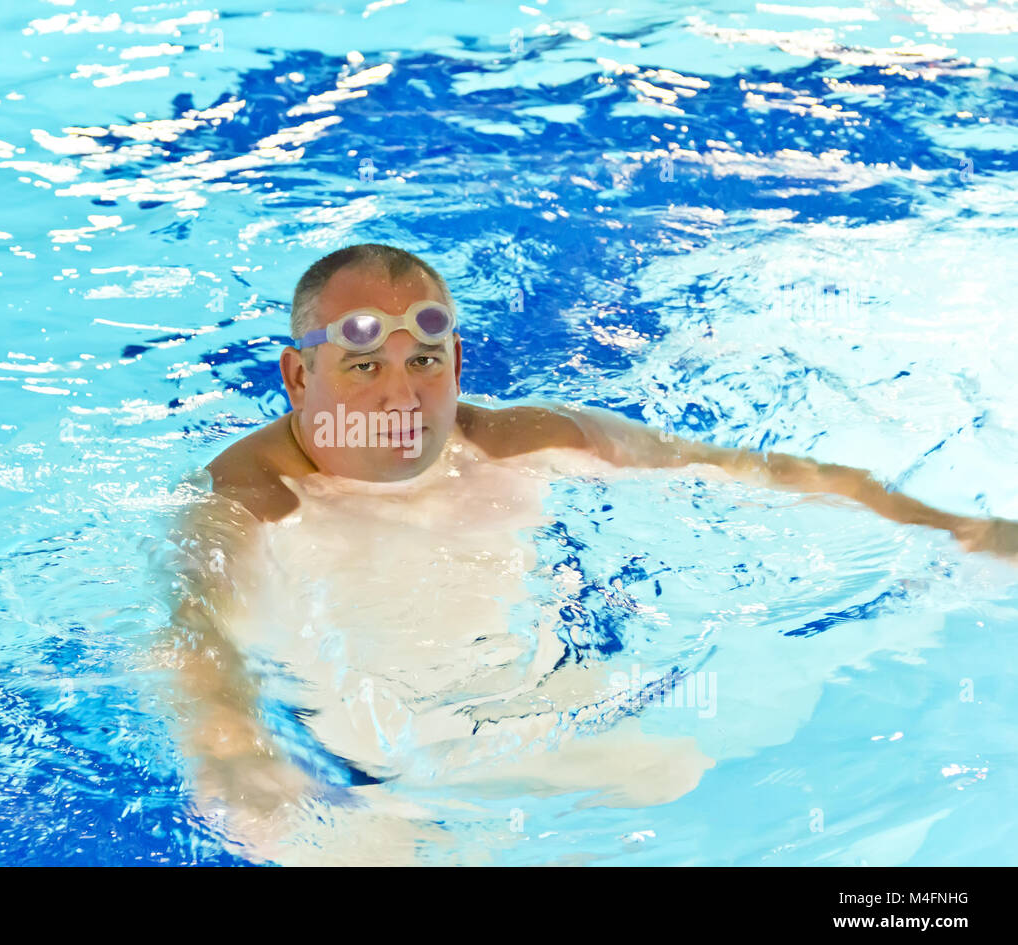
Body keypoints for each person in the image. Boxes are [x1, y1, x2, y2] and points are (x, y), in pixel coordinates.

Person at [150, 243, 1017, 863]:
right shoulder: (249, 506)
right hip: (375, 777)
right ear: (299, 378)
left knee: (679, 777)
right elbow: (193, 641)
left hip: (552, 713)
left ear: (457, 358)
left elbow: (747, 472)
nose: (405, 396)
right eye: (365, 367)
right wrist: (235, 757)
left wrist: (958, 528)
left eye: (424, 361)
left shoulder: (530, 439)